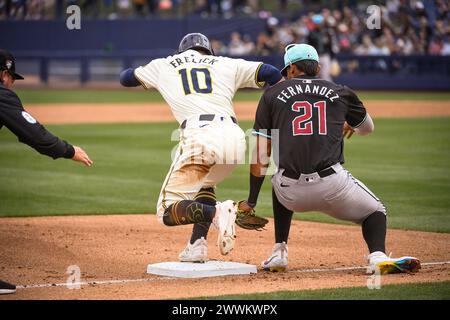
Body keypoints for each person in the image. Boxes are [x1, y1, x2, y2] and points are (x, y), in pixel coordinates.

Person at [238, 43, 421, 274]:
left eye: (286, 71)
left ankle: (279, 254)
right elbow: (367, 128)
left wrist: (252, 201)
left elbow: (261, 154)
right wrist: (349, 125)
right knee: (376, 212)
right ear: (317, 67)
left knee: (279, 177)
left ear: (292, 68)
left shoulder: (272, 95)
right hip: (333, 186)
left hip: (290, 192)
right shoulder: (341, 91)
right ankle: (376, 256)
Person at [120, 33, 281, 262]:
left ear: (182, 51)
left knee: (166, 211)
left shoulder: (164, 65)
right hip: (234, 139)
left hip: (200, 136)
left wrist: (140, 74)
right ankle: (198, 244)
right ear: (208, 51)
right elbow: (271, 73)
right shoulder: (226, 63)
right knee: (206, 183)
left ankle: (220, 212)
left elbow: (125, 78)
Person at [0, 50, 93, 294]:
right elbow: (34, 135)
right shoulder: (2, 96)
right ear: (3, 74)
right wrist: (69, 150)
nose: (11, 83)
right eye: (11, 77)